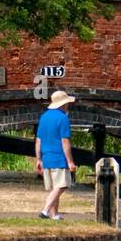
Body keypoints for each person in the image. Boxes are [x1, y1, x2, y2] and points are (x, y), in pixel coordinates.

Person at [35, 90, 76, 220]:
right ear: (63, 104)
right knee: (61, 186)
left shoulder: (44, 117)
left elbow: (38, 140)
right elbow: (65, 141)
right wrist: (70, 161)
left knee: (54, 187)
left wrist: (38, 159)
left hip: (46, 157)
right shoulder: (63, 118)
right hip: (58, 157)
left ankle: (55, 215)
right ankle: (45, 211)